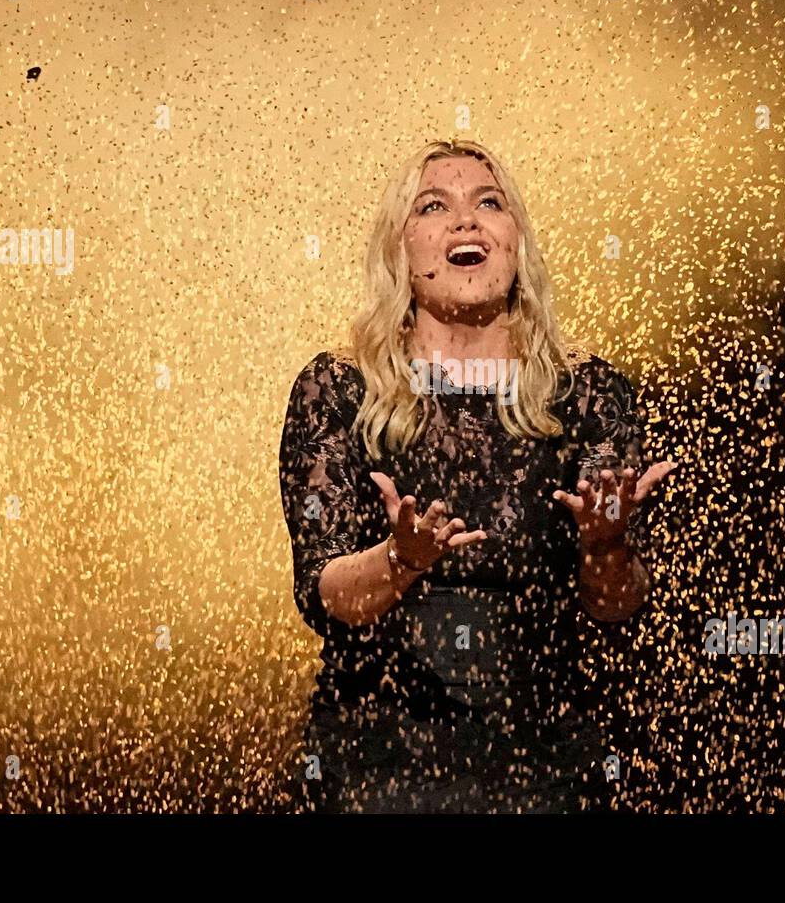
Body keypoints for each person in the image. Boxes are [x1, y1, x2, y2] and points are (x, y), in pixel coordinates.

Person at [278, 138, 674, 812]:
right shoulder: (339, 390)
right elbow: (327, 596)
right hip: (380, 768)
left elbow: (619, 603)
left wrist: (605, 547)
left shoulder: (587, 396)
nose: (467, 221)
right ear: (401, 252)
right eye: (434, 206)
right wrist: (400, 560)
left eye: (489, 203)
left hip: (547, 767)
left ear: (516, 243)